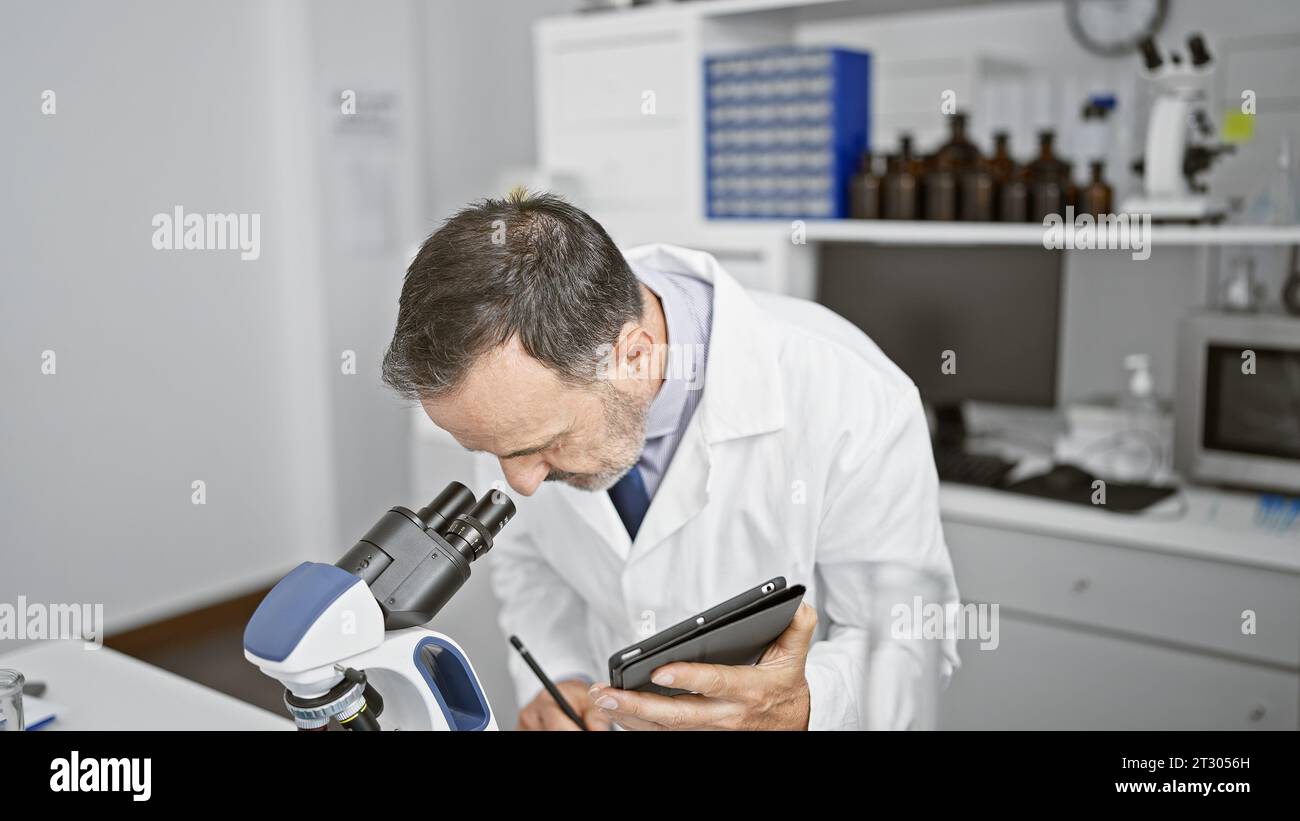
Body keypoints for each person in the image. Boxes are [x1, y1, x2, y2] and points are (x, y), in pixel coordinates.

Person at [382, 190, 959, 730]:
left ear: (634, 356)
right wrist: (564, 677)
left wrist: (805, 705)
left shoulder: (853, 395)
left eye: (541, 446)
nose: (521, 484)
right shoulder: (516, 400)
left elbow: (912, 646)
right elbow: (532, 564)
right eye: (491, 452)